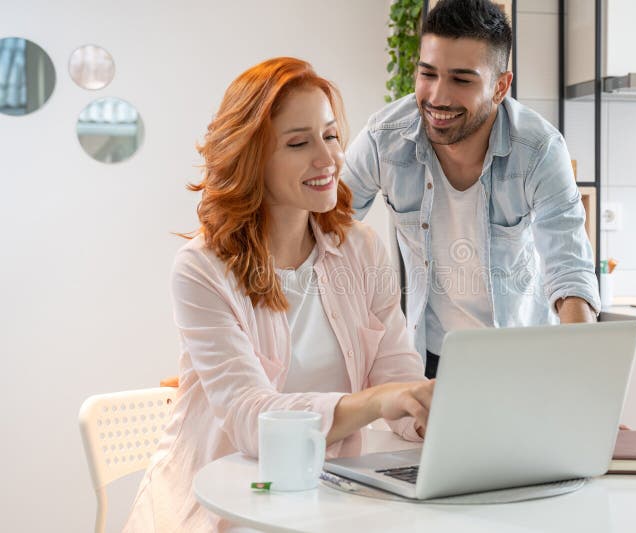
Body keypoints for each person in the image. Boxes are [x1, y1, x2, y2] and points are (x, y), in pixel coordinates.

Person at [123, 57, 433, 532]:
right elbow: (251, 416)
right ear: (253, 158)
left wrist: (425, 413)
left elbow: (397, 374)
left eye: (330, 135)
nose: (328, 159)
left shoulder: (362, 249)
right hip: (222, 508)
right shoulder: (202, 268)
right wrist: (376, 402)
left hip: (324, 502)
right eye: (298, 143)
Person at [342, 0, 600, 378]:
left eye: (461, 80)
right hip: (430, 358)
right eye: (428, 74)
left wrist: (584, 378)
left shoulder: (539, 150)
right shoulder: (384, 139)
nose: (438, 97)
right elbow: (324, 225)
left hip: (521, 357)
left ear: (500, 86)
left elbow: (569, 271)